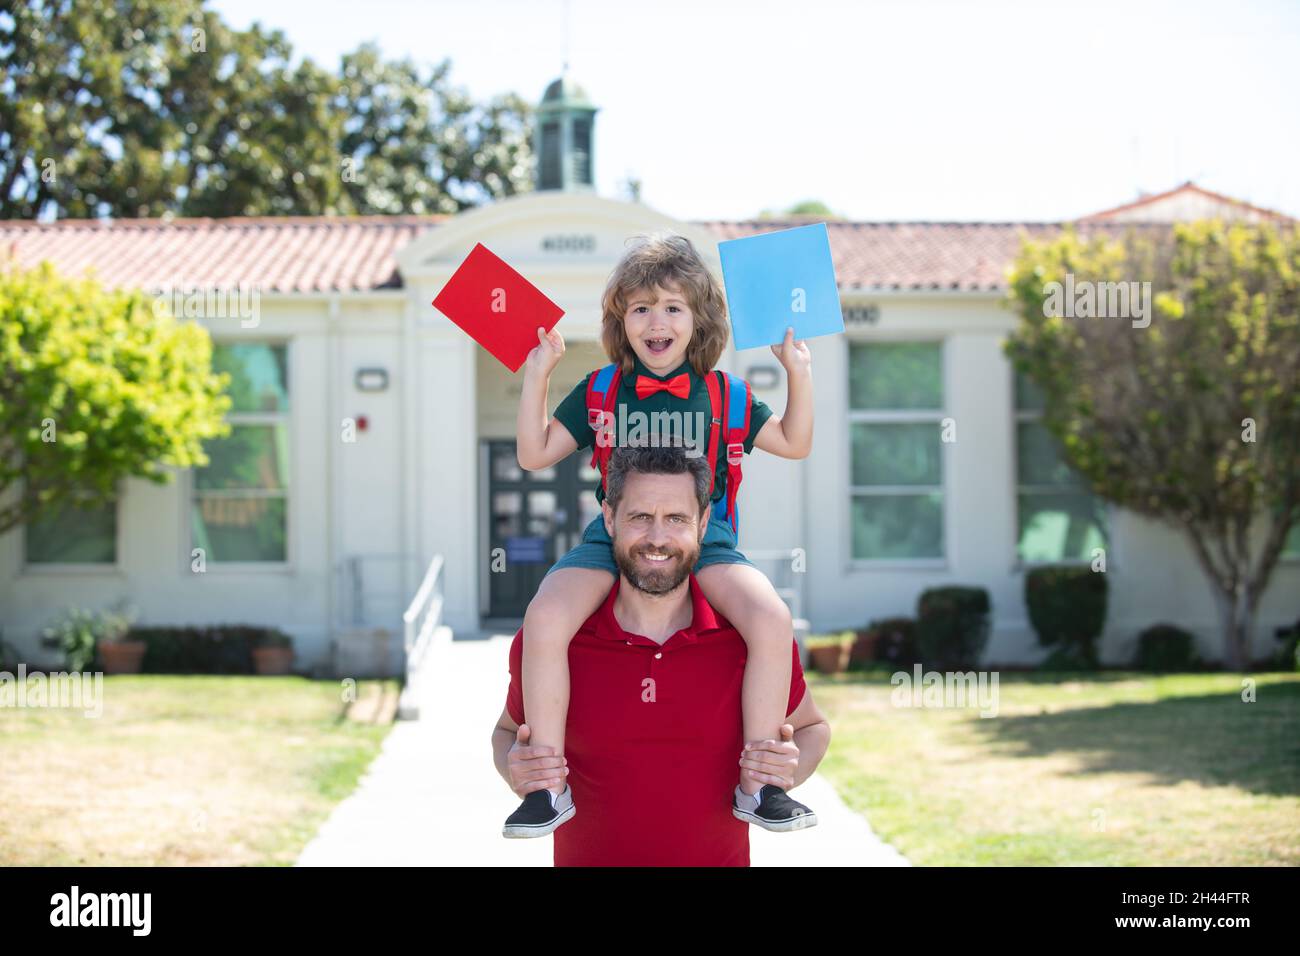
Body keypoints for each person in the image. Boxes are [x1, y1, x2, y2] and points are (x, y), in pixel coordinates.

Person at [506, 232, 817, 838]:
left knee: (772, 618)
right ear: (621, 321)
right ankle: (546, 789)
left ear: (697, 320)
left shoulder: (725, 391)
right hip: (613, 535)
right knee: (544, 617)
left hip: (710, 536)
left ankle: (761, 783)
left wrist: (798, 374)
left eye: (673, 307)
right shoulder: (600, 389)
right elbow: (534, 452)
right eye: (641, 308)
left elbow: (794, 442)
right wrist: (538, 374)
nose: (657, 320)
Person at [491, 443, 831, 865]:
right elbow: (506, 733)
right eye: (639, 517)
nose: (657, 537)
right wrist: (517, 772)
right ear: (610, 520)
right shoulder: (555, 639)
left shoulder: (747, 640)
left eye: (676, 519)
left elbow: (813, 728)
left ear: (704, 524)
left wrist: (782, 772)